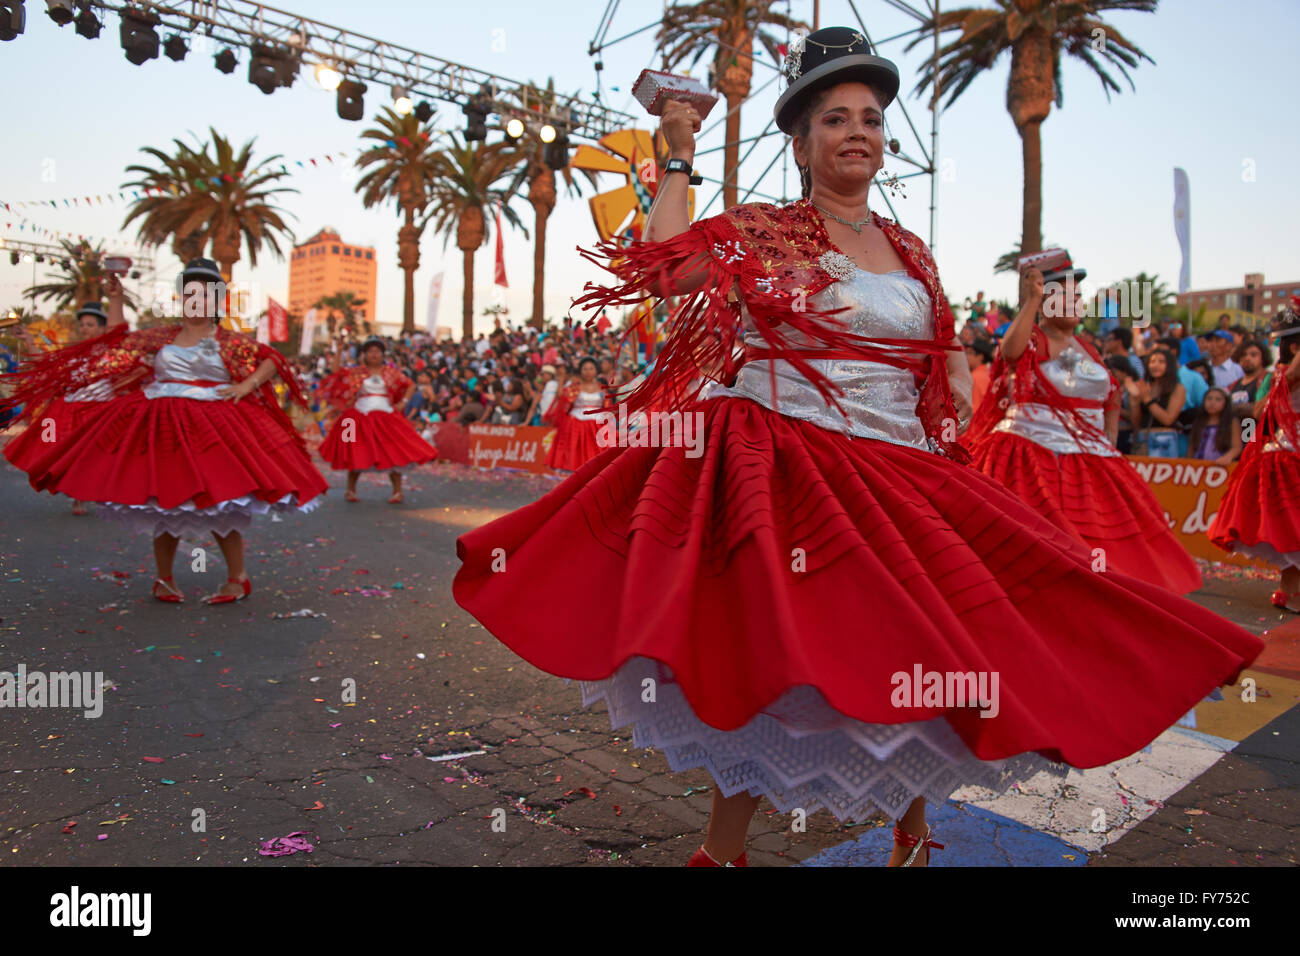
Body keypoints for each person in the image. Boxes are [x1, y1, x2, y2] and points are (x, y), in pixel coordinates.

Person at [451, 30, 1261, 867]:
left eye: (871, 118)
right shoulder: (764, 230)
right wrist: (681, 154)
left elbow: (939, 352)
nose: (857, 132)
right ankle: (722, 850)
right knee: (771, 652)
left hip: (900, 472)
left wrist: (950, 426)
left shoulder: (913, 251)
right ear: (800, 142)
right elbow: (664, 273)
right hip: (787, 467)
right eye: (834, 118)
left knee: (931, 644)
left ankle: (913, 835)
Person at [0, 258, 327, 603]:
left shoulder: (228, 341)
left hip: (213, 430)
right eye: (189, 294)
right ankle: (165, 580)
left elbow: (271, 357)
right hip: (163, 429)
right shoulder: (162, 336)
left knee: (221, 502)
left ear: (217, 302)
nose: (196, 301)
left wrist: (246, 386)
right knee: (166, 503)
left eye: (204, 295)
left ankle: (237, 578)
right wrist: (116, 299)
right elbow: (117, 342)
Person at [965, 256, 1201, 594]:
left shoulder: (1088, 347)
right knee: (1035, 547)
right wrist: (1030, 301)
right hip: (1032, 456)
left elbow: (1110, 399)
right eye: (1063, 294)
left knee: (1103, 549)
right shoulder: (1032, 339)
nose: (1074, 301)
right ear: (1043, 301)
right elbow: (1011, 352)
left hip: (1089, 460)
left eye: (1077, 294)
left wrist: (1107, 447)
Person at [3, 284, 128, 515]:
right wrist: (29, 339)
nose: (84, 328)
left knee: (98, 457)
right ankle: (77, 496)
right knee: (61, 453)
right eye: (82, 324)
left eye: (90, 324)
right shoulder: (75, 353)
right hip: (69, 413)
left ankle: (92, 494)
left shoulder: (112, 353)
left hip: (99, 414)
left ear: (102, 328)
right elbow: (48, 364)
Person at [1210, 303, 1300, 611]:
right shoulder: (1287, 373)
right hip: (1289, 454)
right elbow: (1262, 410)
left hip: (1285, 452)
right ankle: (1290, 588)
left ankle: (1290, 588)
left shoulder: (1280, 373)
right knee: (1292, 526)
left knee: (1292, 527)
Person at [318, 337, 438, 504]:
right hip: (358, 414)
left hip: (385, 413)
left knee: (392, 450)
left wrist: (403, 403)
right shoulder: (356, 372)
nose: (374, 354)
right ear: (364, 355)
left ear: (383, 355)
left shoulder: (390, 372)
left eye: (377, 351)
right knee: (354, 448)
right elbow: (335, 372)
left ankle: (397, 491)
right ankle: (350, 489)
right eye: (370, 351)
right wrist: (338, 351)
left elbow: (410, 384)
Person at [543, 357, 613, 472]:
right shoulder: (574, 387)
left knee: (597, 457)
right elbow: (560, 396)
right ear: (581, 371)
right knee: (574, 455)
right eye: (585, 369)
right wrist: (561, 377)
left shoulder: (602, 387)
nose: (588, 372)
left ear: (596, 371)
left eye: (591, 369)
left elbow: (607, 407)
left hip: (596, 426)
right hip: (575, 423)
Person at [1187, 388, 1242, 464]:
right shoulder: (1199, 421)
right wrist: (1188, 462)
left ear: (1225, 403)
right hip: (1198, 466)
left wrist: (1228, 457)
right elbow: (1192, 446)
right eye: (1209, 399)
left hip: (1220, 465)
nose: (1212, 403)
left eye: (1218, 399)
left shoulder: (1232, 422)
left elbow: (1237, 447)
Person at [965, 338, 994, 412]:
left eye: (970, 353)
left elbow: (974, 408)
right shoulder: (987, 373)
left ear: (980, 357)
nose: (966, 356)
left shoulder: (976, 377)